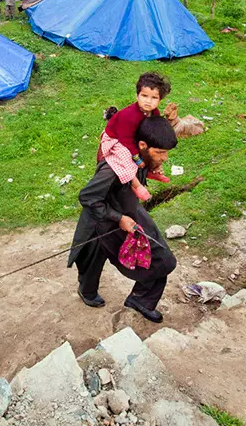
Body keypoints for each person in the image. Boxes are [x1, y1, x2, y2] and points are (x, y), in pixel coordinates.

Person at [69, 116, 178, 323]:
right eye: (160, 152)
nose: (164, 158)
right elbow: (88, 197)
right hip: (102, 222)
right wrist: (118, 218)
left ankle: (141, 300)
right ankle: (87, 292)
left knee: (163, 260)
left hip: (130, 214)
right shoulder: (112, 169)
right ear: (143, 145)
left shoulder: (138, 158)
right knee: (90, 264)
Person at [99, 72, 172, 201]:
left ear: (160, 99)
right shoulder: (129, 116)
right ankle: (136, 185)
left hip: (134, 137)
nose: (148, 101)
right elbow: (125, 140)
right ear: (137, 95)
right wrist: (137, 158)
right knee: (124, 158)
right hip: (116, 139)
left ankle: (152, 171)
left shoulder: (154, 112)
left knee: (152, 150)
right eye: (144, 96)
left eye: (154, 98)